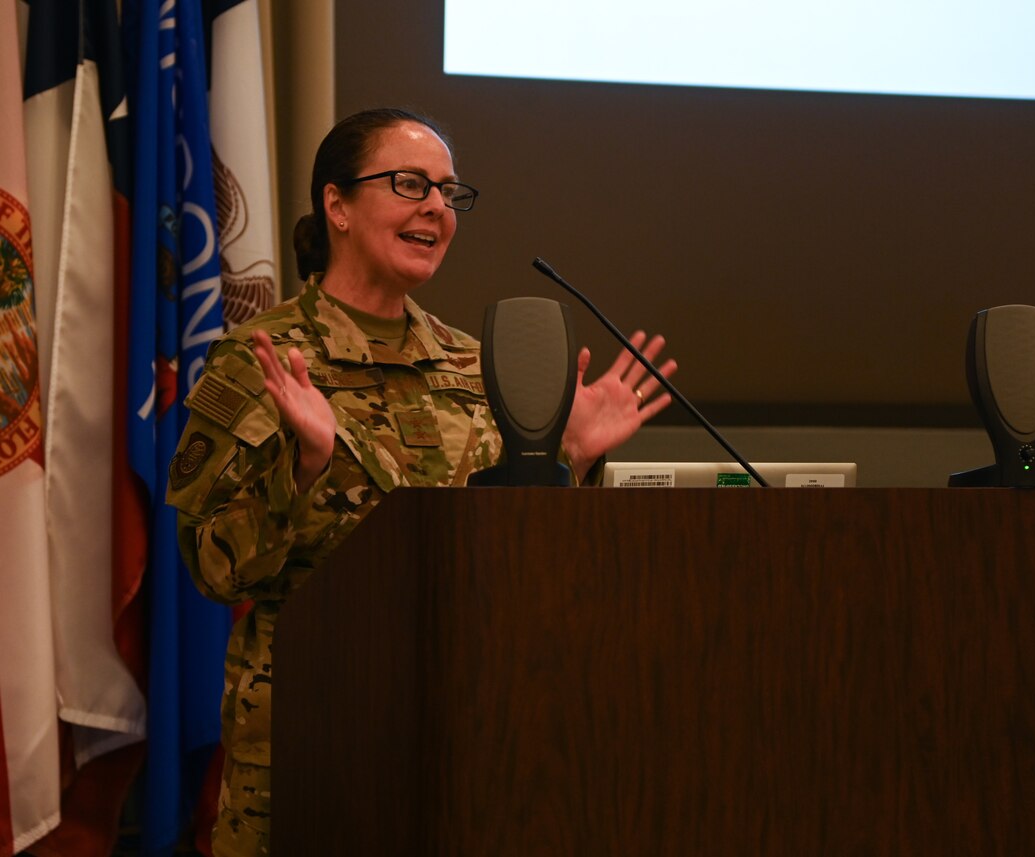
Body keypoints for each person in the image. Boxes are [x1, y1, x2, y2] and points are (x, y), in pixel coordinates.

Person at [165, 107, 676, 856]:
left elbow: (513, 563)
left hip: (462, 734)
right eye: (410, 185)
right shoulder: (263, 361)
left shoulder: (476, 364)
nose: (437, 207)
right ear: (336, 205)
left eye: (448, 192)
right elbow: (214, 569)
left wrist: (568, 460)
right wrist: (301, 467)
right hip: (310, 740)